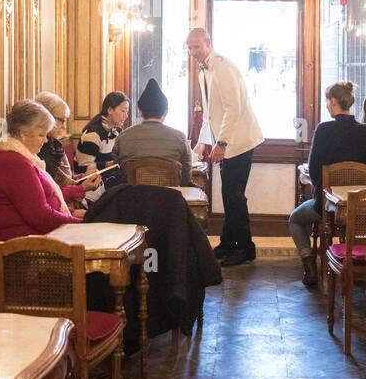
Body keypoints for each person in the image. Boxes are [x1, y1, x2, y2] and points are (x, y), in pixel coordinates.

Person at [288, 80, 366, 288]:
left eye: (327, 102)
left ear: (333, 101)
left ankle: (309, 265)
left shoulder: (324, 130)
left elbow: (313, 170)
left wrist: (321, 195)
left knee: (295, 219)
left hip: (328, 208)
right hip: (362, 207)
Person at [186, 27, 264, 267]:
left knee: (234, 196)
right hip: (228, 141)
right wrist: (202, 141)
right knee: (229, 195)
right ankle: (229, 243)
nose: (192, 52)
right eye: (189, 48)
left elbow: (234, 108)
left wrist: (221, 143)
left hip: (239, 141)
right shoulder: (203, 72)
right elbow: (210, 114)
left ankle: (245, 248)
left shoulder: (224, 67)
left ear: (208, 43)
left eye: (196, 46)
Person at [0, 100, 87, 243]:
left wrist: (75, 214)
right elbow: (41, 217)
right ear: (23, 133)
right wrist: (81, 224)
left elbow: (46, 203)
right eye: (41, 135)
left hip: (37, 238)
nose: (45, 141)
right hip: (21, 248)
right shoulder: (13, 163)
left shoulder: (22, 157)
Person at [113, 78, 193, 184]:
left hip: (132, 199)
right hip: (170, 199)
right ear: (166, 112)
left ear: (140, 112)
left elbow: (117, 173)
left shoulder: (122, 137)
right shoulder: (180, 138)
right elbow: (186, 178)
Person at [75, 92, 130, 201]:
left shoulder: (117, 131)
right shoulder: (93, 134)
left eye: (127, 112)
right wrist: (111, 164)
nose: (126, 115)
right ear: (110, 110)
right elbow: (82, 169)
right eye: (123, 111)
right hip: (91, 187)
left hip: (107, 180)